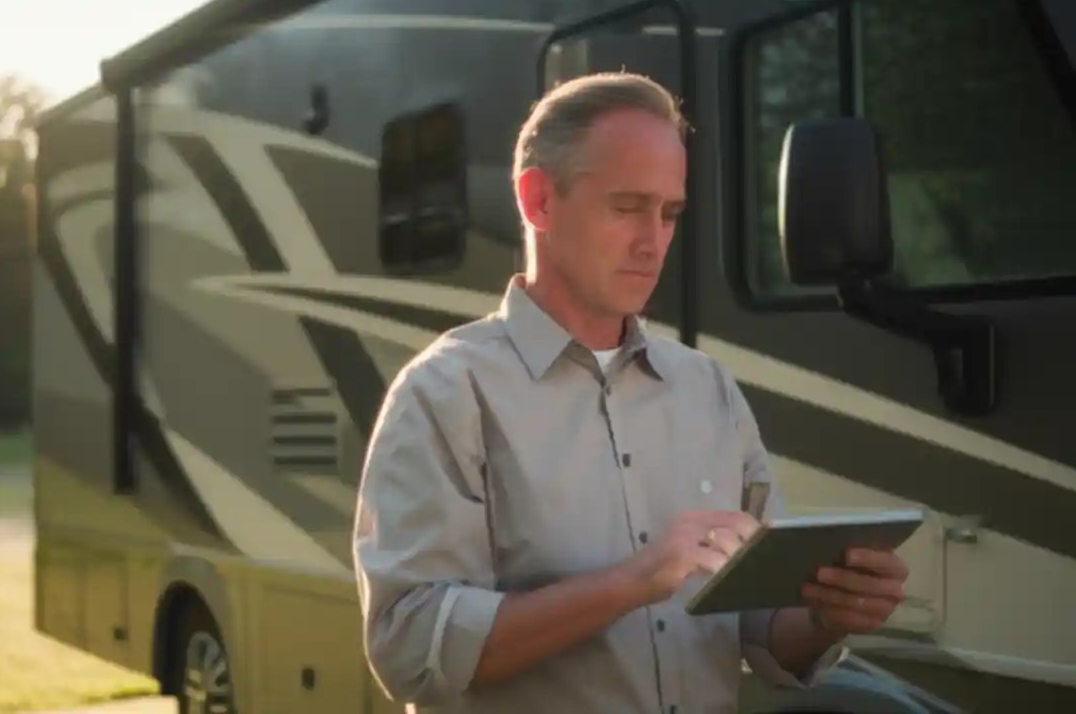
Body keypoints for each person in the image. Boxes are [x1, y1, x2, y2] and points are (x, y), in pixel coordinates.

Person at [352, 72, 910, 713]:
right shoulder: (445, 393)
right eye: (626, 207)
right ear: (537, 200)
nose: (654, 242)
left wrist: (829, 615)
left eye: (669, 213)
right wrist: (632, 582)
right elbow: (409, 646)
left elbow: (759, 630)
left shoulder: (709, 391)